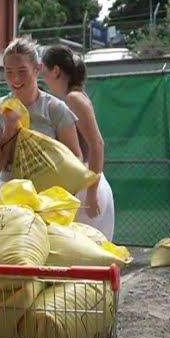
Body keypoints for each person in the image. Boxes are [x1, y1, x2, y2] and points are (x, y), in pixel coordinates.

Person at [0, 38, 88, 338]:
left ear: (37, 70)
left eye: (22, 72)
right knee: (17, 278)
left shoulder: (55, 109)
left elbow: (75, 159)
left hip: (48, 203)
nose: (15, 79)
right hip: (12, 199)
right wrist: (10, 129)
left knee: (57, 275)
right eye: (8, 72)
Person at [41, 45, 115, 240]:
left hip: (86, 185)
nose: (44, 79)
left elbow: (97, 144)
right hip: (87, 183)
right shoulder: (77, 96)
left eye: (45, 73)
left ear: (56, 71)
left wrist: (91, 192)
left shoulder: (73, 99)